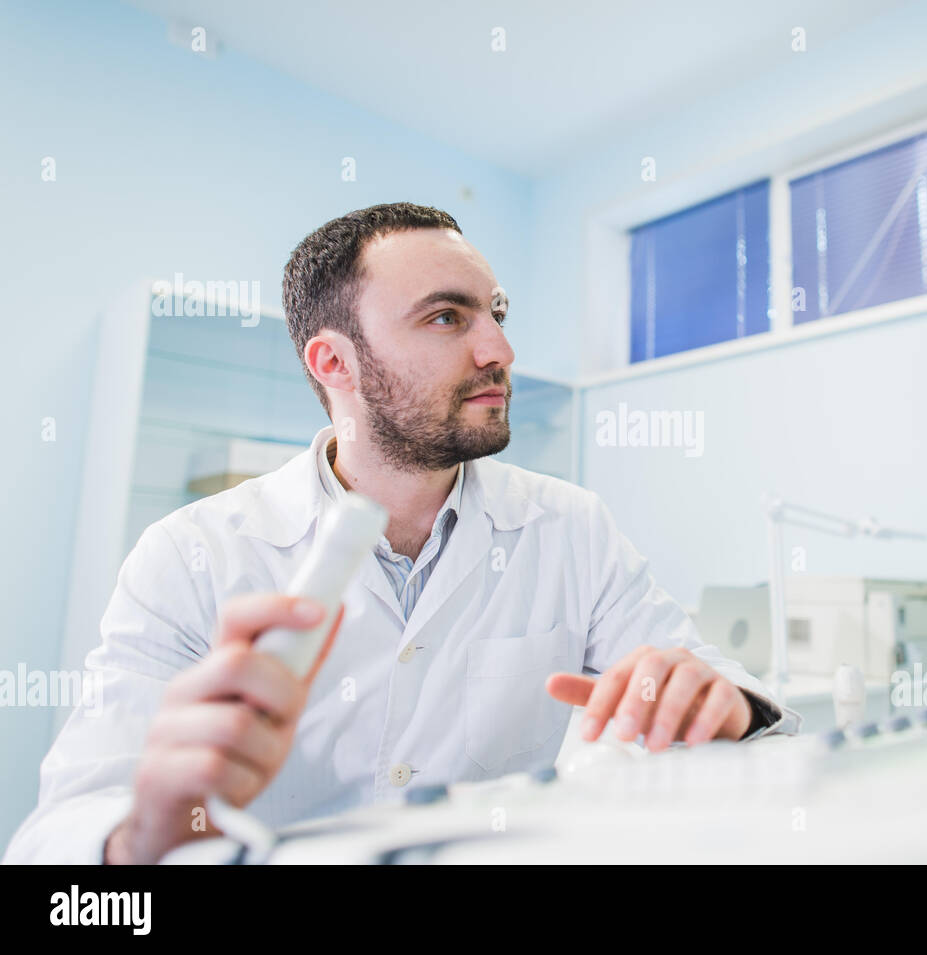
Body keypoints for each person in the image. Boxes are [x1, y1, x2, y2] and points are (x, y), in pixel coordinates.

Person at [3, 202, 801, 865]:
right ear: (334, 363)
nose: (499, 350)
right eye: (447, 316)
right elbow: (56, 852)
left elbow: (744, 711)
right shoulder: (189, 555)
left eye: (495, 313)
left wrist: (717, 704)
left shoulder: (573, 528)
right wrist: (141, 835)